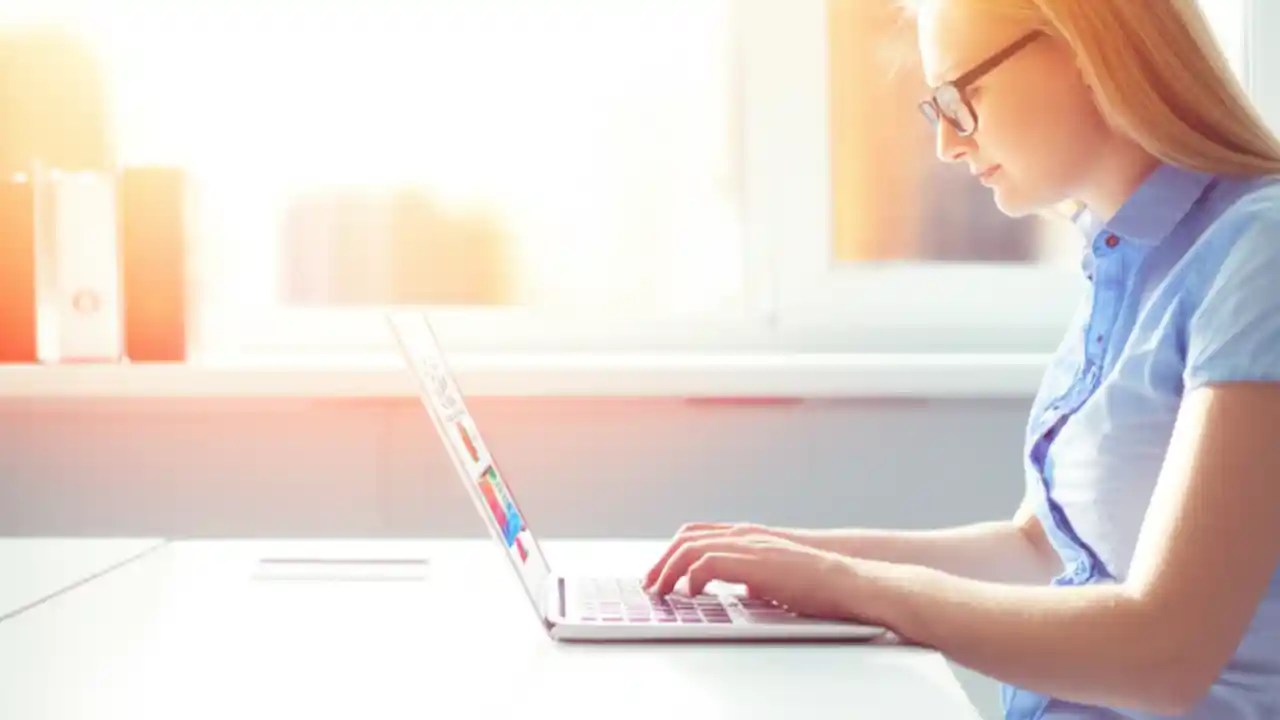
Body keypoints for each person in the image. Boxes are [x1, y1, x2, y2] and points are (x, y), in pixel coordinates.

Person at [642, 1, 1280, 717]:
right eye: (934, 105)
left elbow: (1166, 653)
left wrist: (851, 586)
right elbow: (1040, 550)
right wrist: (782, 561)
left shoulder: (1260, 254)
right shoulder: (1125, 257)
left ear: (1085, 48)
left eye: (962, 94)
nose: (946, 141)